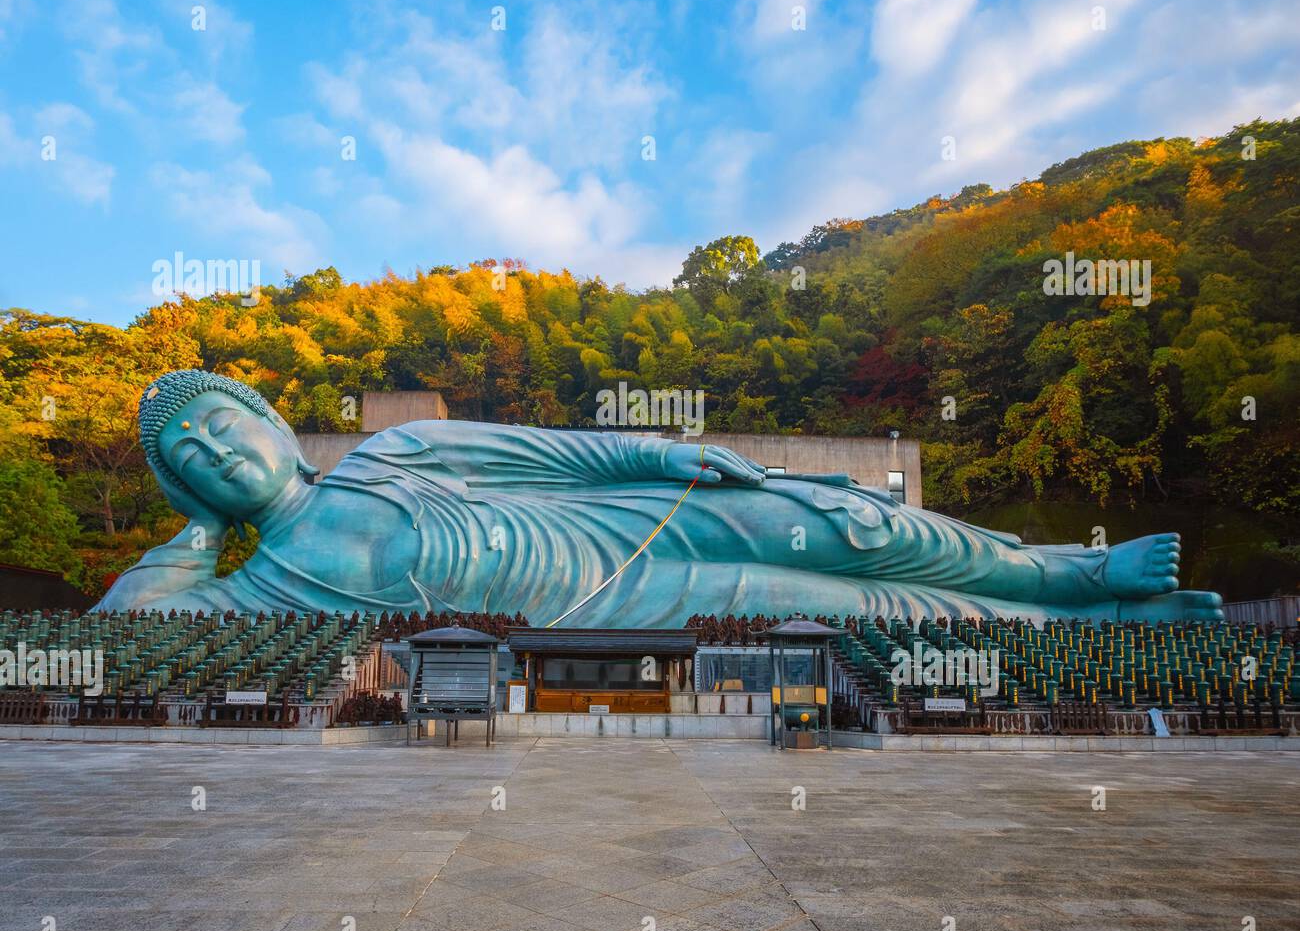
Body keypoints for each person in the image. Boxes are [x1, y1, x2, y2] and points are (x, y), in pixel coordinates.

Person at [94, 369, 1224, 628]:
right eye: (189, 453)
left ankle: (1061, 567)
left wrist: (669, 459)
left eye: (220, 421)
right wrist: (188, 544)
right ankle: (1081, 618)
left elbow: (562, 454)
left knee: (842, 524)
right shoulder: (262, 582)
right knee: (848, 606)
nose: (214, 450)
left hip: (623, 519)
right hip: (604, 606)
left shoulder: (406, 446)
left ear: (272, 417)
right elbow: (125, 630)